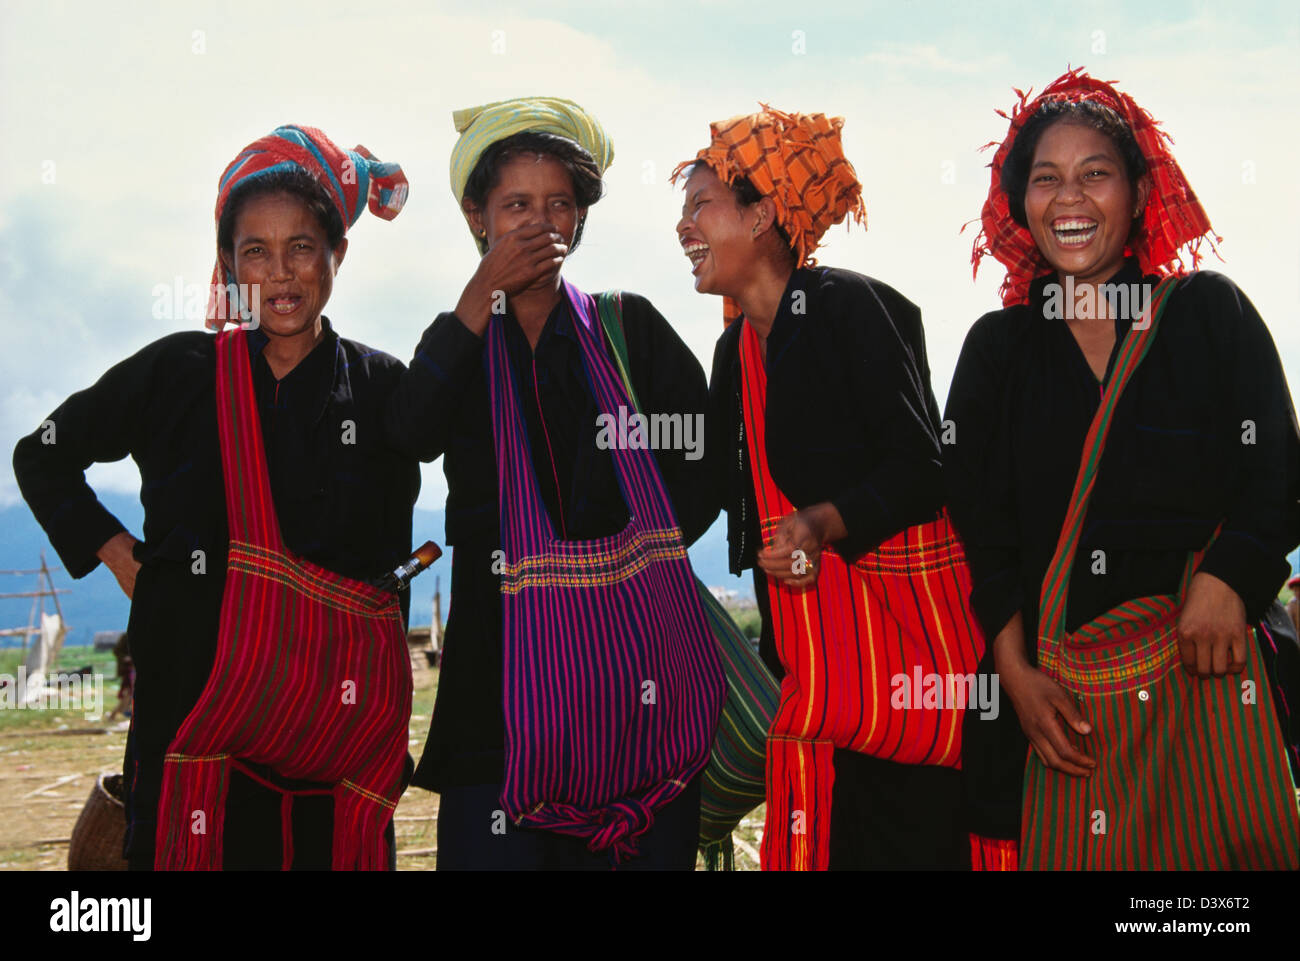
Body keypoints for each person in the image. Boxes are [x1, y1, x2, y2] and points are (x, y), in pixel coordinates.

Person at [13, 125, 419, 870]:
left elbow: (386, 569)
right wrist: (113, 549)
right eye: (254, 251)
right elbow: (41, 453)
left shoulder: (383, 388)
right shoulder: (178, 375)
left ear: (339, 254)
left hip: (329, 748)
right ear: (228, 264)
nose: (281, 272)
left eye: (302, 246)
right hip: (192, 727)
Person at [947, 68, 1300, 869]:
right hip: (1061, 705)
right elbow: (985, 534)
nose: (1069, 198)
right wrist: (1015, 672)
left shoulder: (1208, 313)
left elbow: (1275, 464)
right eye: (1046, 179)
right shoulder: (997, 353)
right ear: (1021, 204)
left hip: (1210, 683)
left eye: (1094, 174)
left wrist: (1229, 576)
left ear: (1139, 193)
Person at [385, 97, 724, 870]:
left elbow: (705, 467)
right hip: (496, 701)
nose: (539, 223)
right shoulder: (461, 342)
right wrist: (479, 296)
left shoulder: (627, 329)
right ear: (478, 219)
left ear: (580, 218)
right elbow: (409, 431)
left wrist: (625, 567)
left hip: (637, 684)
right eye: (515, 206)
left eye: (558, 204)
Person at [672, 105, 984, 870]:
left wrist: (820, 523)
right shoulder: (733, 351)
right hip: (818, 680)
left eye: (699, 207)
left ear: (763, 211)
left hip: (911, 667)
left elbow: (921, 466)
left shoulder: (851, 307)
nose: (683, 228)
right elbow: (708, 489)